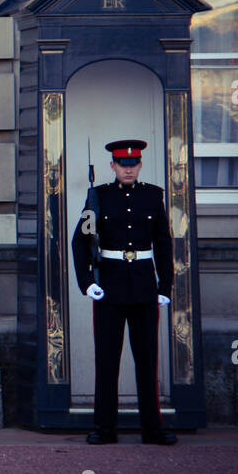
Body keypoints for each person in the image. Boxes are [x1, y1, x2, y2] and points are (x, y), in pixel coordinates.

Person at [71, 139, 177, 446]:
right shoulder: (98, 197)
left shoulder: (152, 196)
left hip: (144, 286)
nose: (128, 169)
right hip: (110, 288)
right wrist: (87, 281)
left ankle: (152, 429)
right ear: (113, 166)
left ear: (140, 165)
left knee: (147, 360)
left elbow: (163, 242)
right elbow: (81, 241)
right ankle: (104, 428)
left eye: (133, 164)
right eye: (122, 164)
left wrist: (164, 285)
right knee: (107, 361)